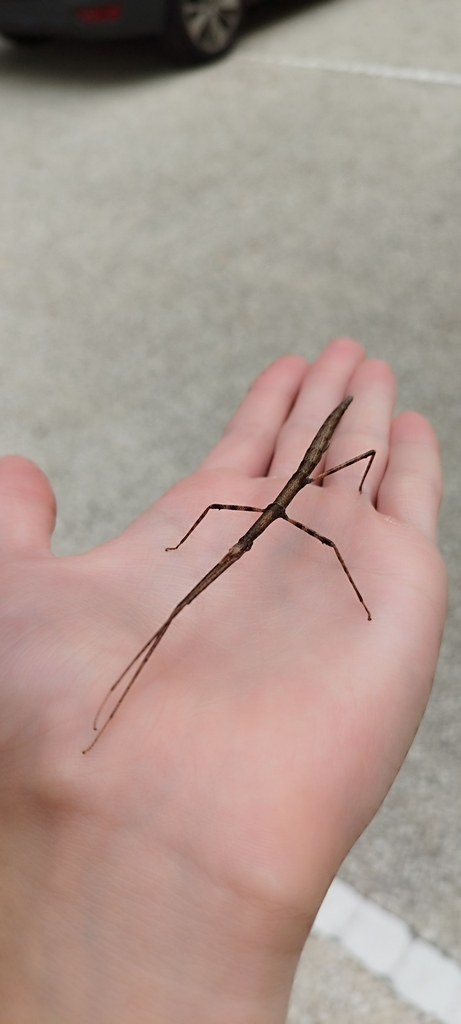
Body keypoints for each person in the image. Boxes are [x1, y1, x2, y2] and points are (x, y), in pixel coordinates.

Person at [0, 338, 447, 1023]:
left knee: (310, 529)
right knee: (180, 605)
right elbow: (213, 536)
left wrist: (358, 589)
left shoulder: (287, 519)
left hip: (310, 473)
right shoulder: (242, 525)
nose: (233, 557)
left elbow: (289, 526)